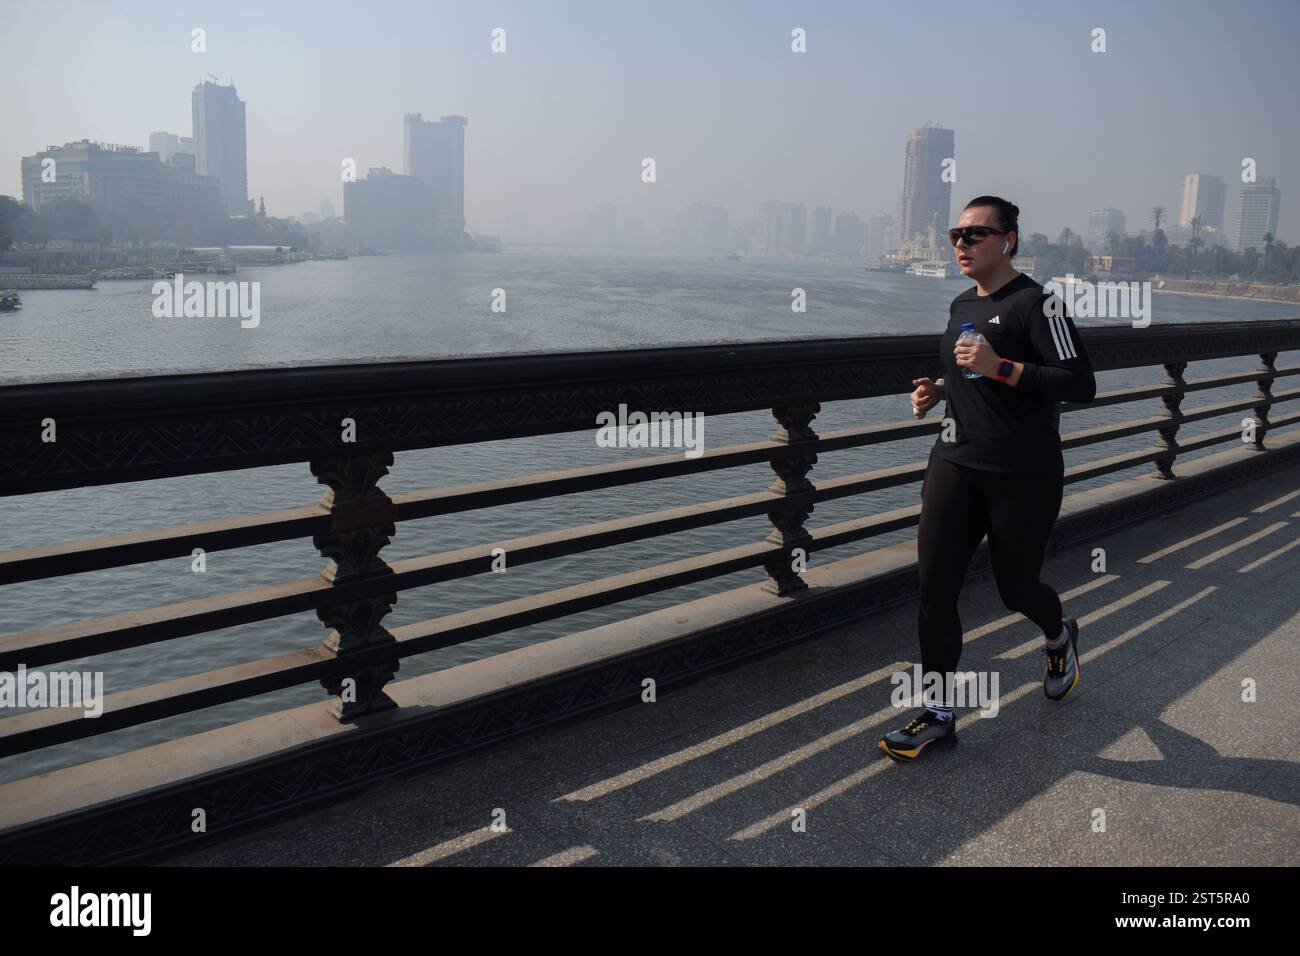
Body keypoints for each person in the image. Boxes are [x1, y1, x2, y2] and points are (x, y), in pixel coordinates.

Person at [879, 196, 1097, 763]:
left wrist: (998, 366)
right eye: (957, 233)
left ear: (1009, 240)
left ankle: (1058, 635)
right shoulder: (958, 304)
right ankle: (938, 713)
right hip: (955, 463)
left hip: (1022, 473)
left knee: (1015, 589)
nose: (961, 243)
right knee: (934, 591)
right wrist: (940, 389)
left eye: (976, 234)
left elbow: (1080, 383)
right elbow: (970, 372)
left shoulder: (1038, 305)